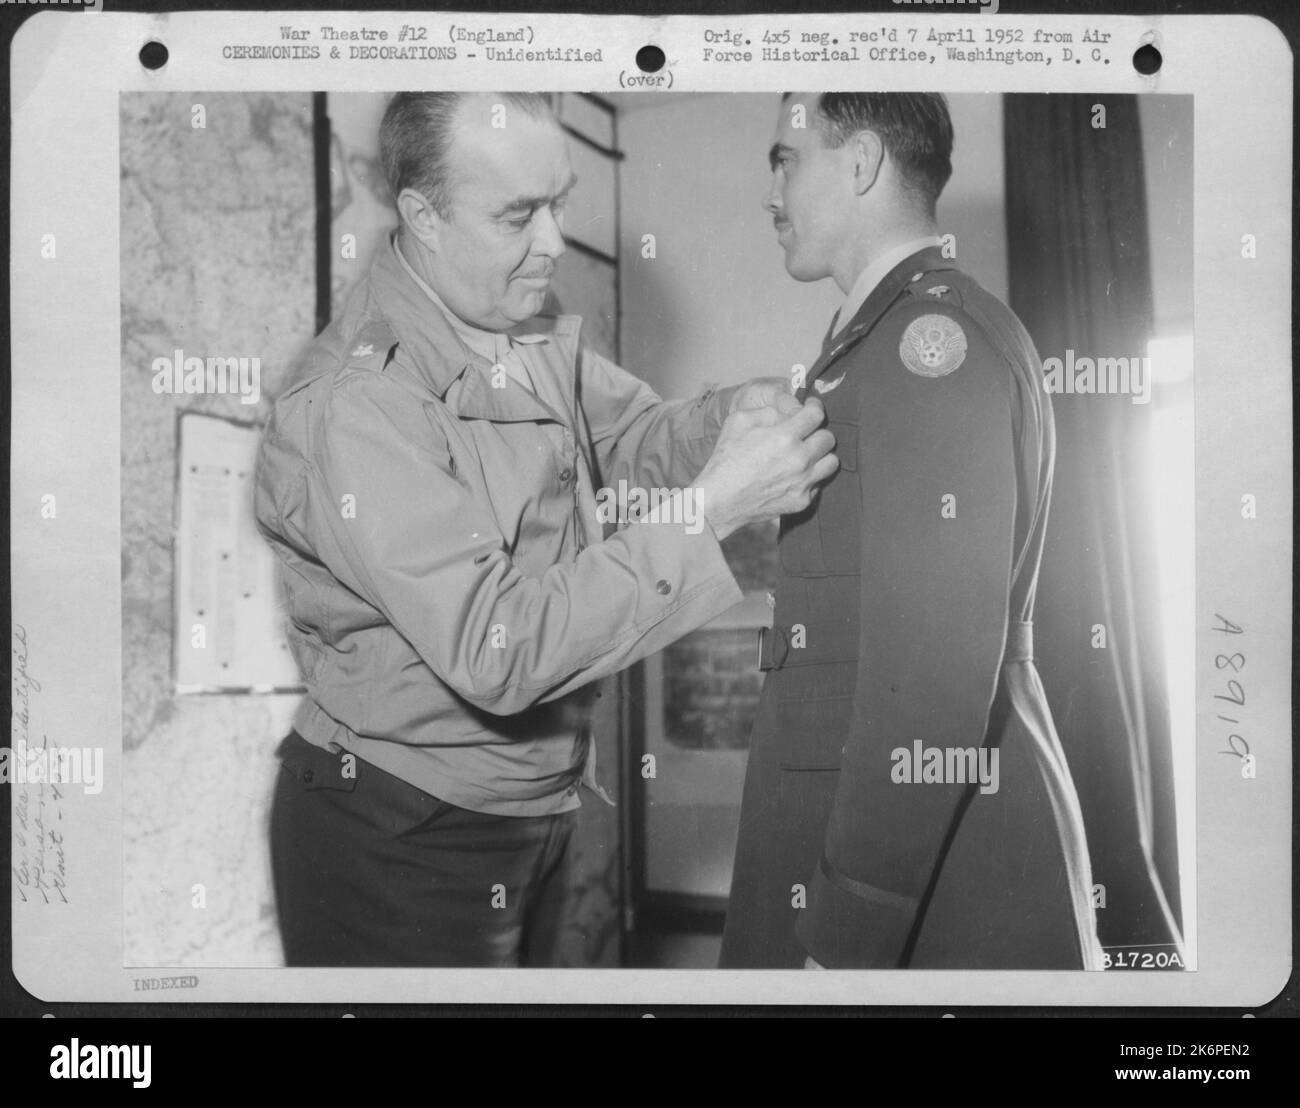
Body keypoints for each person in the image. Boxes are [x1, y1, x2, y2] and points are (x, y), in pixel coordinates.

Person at [254, 91, 836, 967]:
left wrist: (728, 420)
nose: (554, 243)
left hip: (532, 807)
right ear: (422, 217)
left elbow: (631, 436)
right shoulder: (355, 406)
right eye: (518, 215)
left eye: (557, 203)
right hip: (397, 834)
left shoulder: (508, 321)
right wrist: (711, 507)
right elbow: (500, 649)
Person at [720, 92, 1105, 970]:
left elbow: (931, 676)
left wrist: (846, 935)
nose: (770, 190)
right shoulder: (882, 337)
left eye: (786, 157)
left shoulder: (926, 342)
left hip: (923, 892)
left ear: (859, 163)